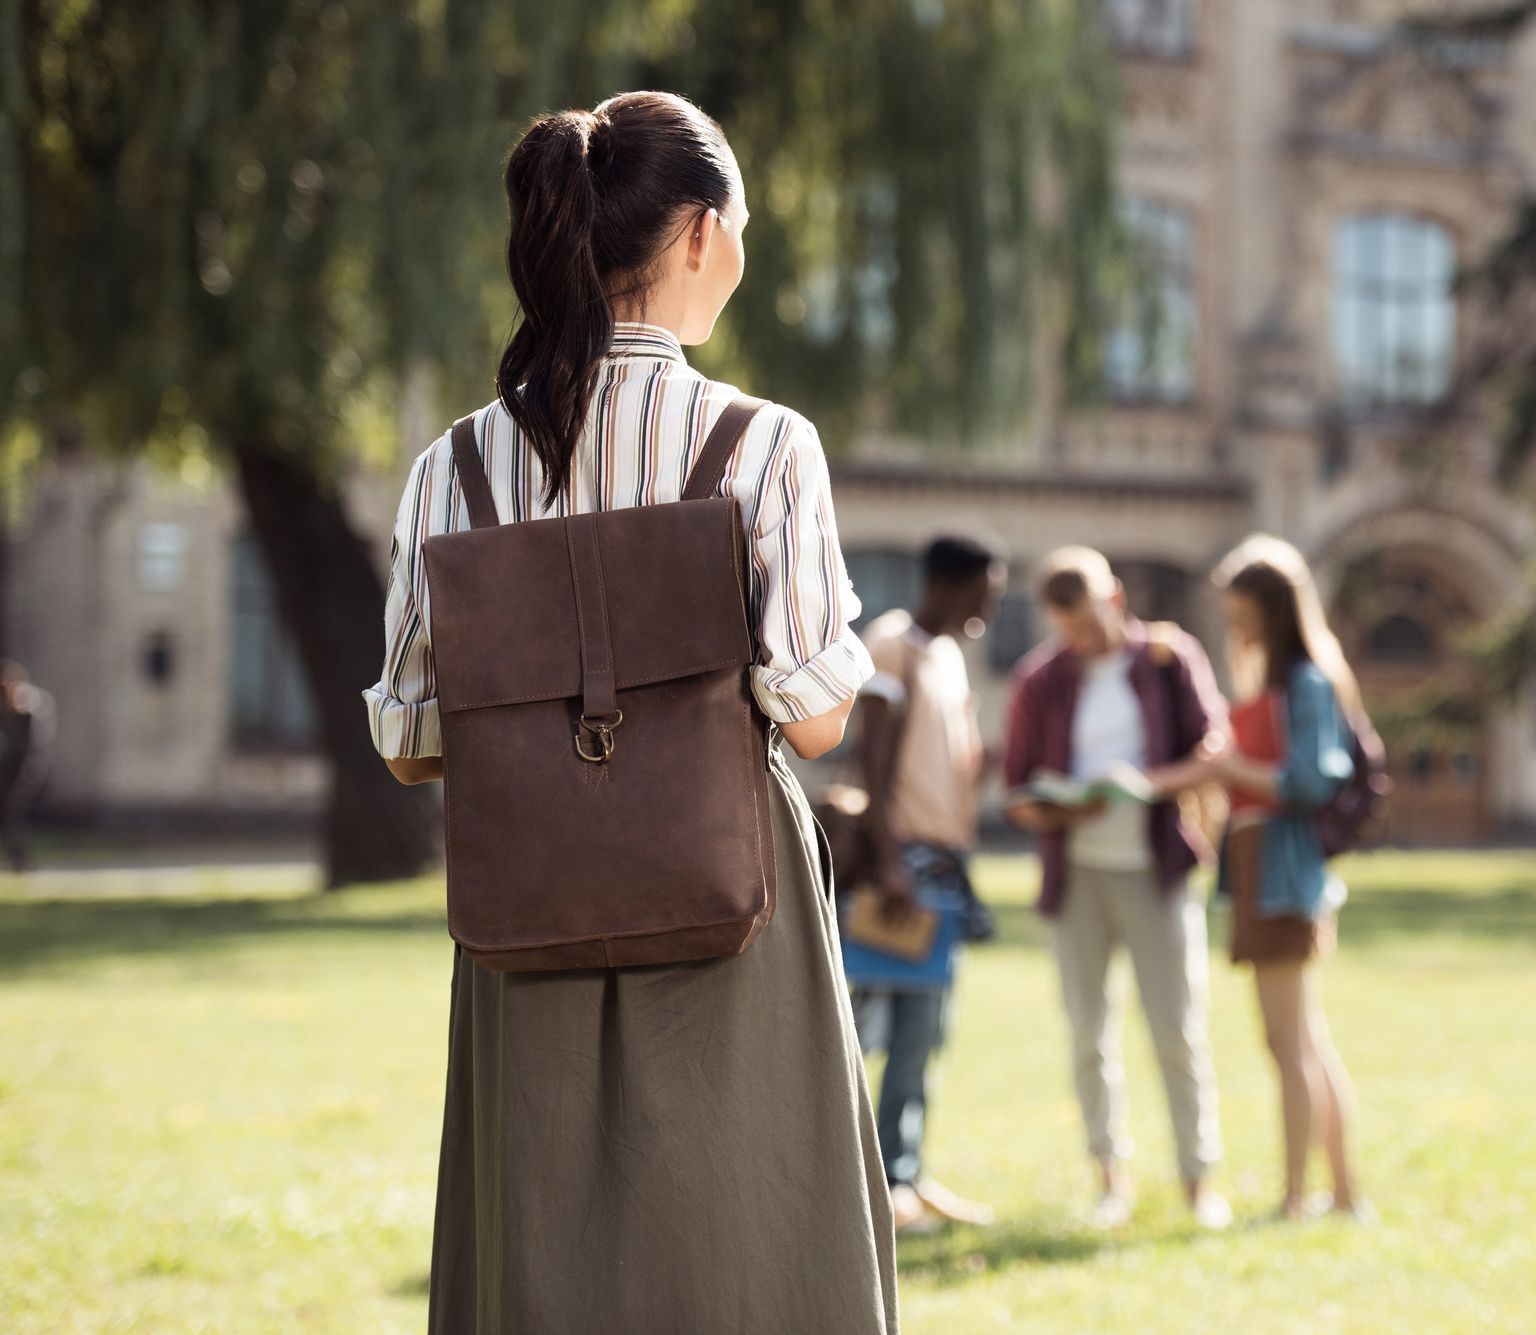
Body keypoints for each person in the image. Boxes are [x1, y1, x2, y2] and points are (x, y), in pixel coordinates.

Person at [362, 92, 896, 1333]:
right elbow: (814, 720)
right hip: (726, 899)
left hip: (528, 905)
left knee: (541, 1248)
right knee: (745, 1242)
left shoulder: (453, 464)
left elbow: (408, 741)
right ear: (702, 233)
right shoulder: (761, 444)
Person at [1002, 546, 1232, 1230]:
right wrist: (1060, 805)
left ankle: (1200, 1178)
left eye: (1090, 621)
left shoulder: (1167, 658)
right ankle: (1111, 1177)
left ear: (1115, 598)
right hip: (1077, 873)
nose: (1081, 638)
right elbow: (1018, 791)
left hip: (1155, 867)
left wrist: (1147, 785)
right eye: (1067, 628)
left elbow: (1214, 751)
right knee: (1088, 1032)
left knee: (1176, 1028)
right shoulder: (1039, 679)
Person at [1202, 535, 1370, 1222]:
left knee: (1289, 1042)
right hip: (1259, 871)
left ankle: (1300, 1195)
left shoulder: (1304, 680)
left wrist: (1229, 767)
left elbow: (1312, 777)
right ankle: (1342, 1192)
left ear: (1272, 610)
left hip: (1285, 874)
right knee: (1303, 1039)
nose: (1236, 627)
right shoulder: (1273, 679)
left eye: (1243, 613)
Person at [850, 533, 1006, 1234]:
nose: (991, 606)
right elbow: (872, 758)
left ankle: (901, 1172)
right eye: (986, 591)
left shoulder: (947, 657)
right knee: (872, 1025)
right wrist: (886, 862)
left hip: (944, 866)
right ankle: (864, 1180)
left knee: (926, 1030)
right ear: (950, 583)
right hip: (901, 865)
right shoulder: (894, 644)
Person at [0, 661, 55, 873]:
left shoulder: (32, 706)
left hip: (28, 770)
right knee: (11, 813)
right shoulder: (5, 709)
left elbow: (37, 742)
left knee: (14, 811)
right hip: (9, 768)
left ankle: (20, 858)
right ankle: (17, 857)